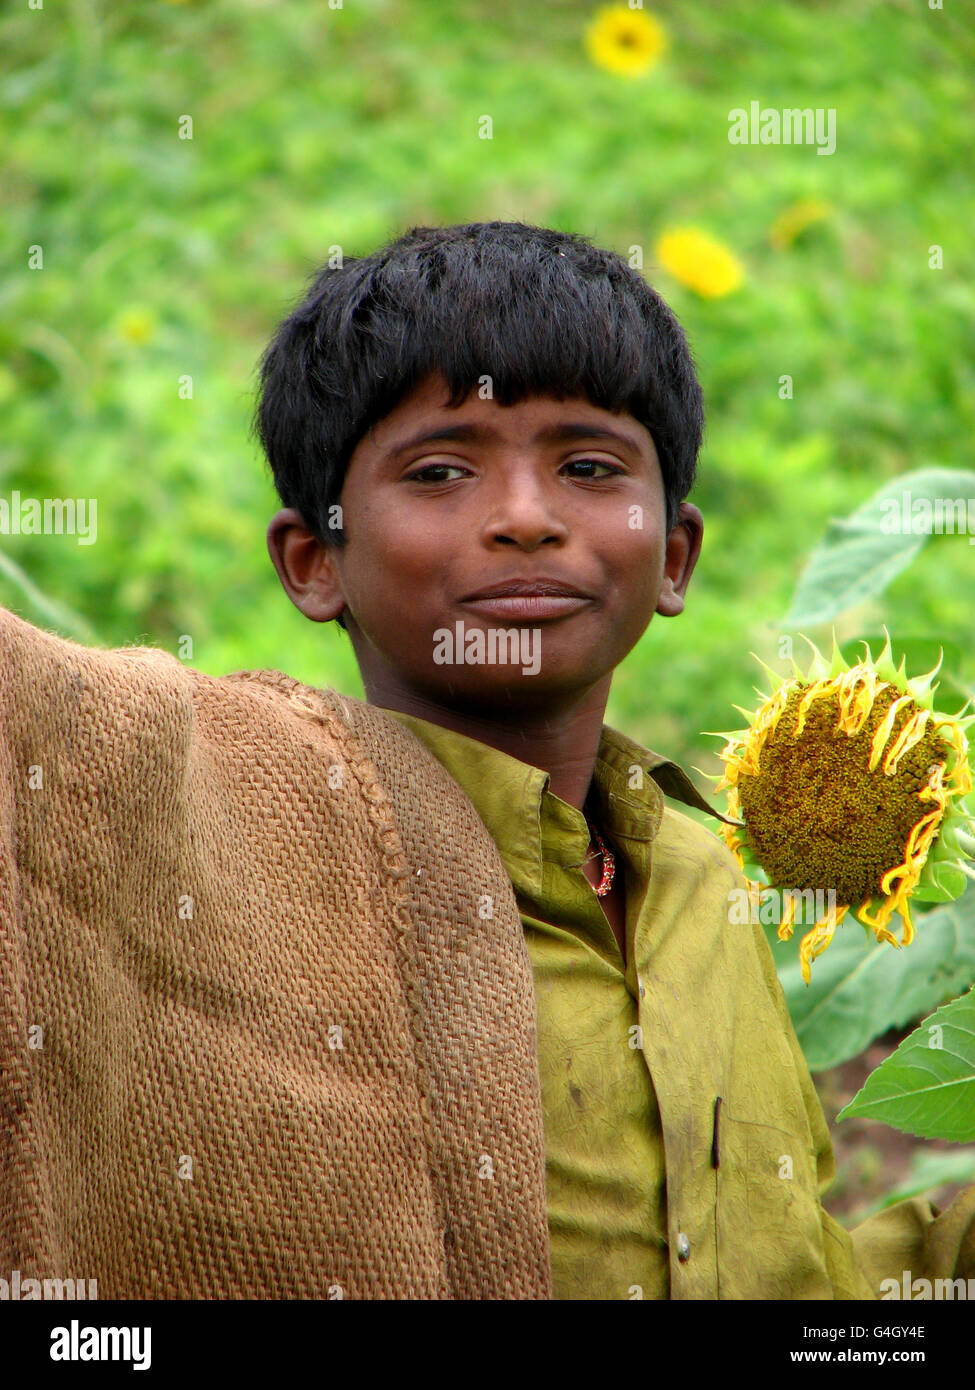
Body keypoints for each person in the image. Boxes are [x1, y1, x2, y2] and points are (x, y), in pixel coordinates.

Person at [2, 221, 971, 1300]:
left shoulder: (704, 885)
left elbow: (804, 1284)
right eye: (442, 469)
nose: (524, 518)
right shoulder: (226, 829)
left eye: (590, 466)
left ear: (676, 554)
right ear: (315, 561)